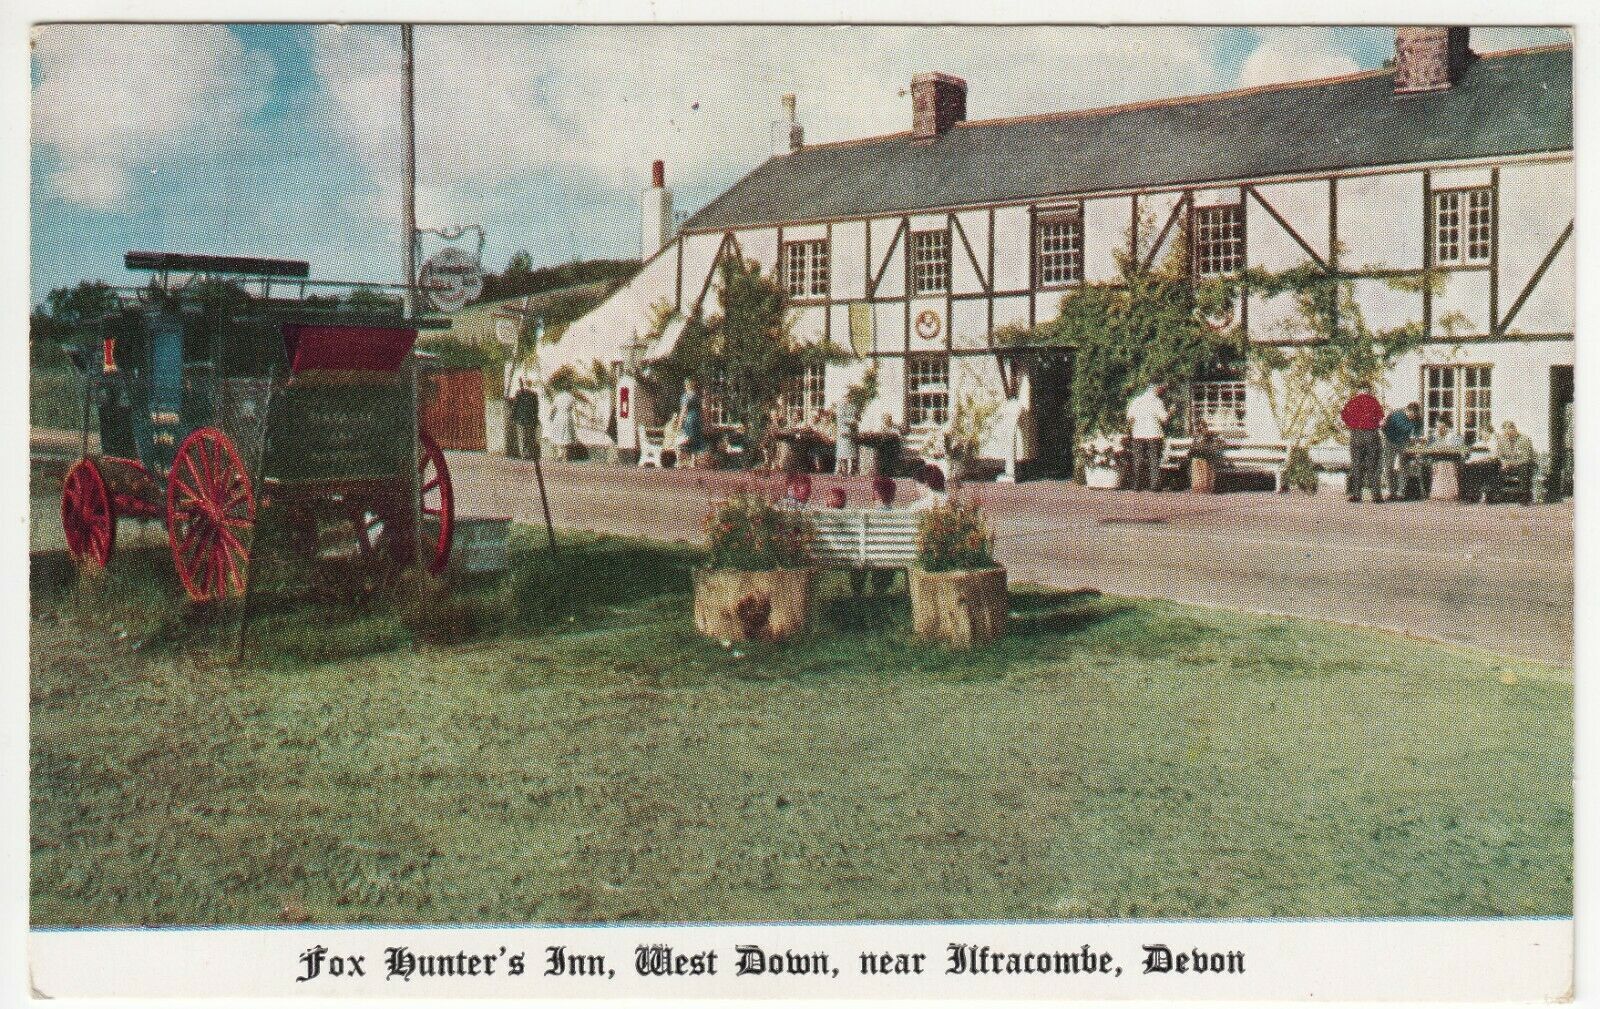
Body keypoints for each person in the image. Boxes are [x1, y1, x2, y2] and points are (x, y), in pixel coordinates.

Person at [1340, 384, 1384, 502]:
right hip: (1371, 434)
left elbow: (1344, 415)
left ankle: (1356, 494)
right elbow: (1381, 417)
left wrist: (1352, 424)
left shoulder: (1353, 401)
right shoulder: (1374, 401)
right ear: (1368, 390)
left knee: (1356, 464)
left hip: (1356, 434)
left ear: (1359, 390)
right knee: (1373, 465)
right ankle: (1376, 495)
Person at [1126, 383, 1169, 492]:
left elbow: (1130, 418)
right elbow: (1164, 419)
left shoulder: (1137, 400)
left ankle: (1136, 485)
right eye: (1159, 389)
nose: (1161, 391)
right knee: (1154, 460)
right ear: (1155, 390)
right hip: (1153, 433)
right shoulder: (1157, 402)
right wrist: (1170, 413)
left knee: (1138, 459)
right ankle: (1154, 486)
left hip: (1138, 434)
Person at [1483, 420, 1537, 504]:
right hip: (1508, 464)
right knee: (1493, 466)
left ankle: (1524, 495)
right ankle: (1494, 494)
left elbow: (1526, 457)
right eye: (1505, 433)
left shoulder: (1525, 439)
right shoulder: (1502, 440)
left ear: (1513, 429)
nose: (1506, 436)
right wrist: (1504, 462)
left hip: (1522, 463)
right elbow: (1500, 454)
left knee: (1525, 467)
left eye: (1508, 433)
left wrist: (1512, 463)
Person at [1380, 401, 1422, 501]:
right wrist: (1383, 424)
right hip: (1390, 441)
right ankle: (1390, 491)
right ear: (1407, 410)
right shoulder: (1396, 415)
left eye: (1415, 415)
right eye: (1411, 414)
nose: (1412, 417)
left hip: (1404, 442)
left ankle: (1401, 492)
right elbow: (1383, 426)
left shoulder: (1417, 419)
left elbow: (1417, 431)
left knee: (1403, 466)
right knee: (1388, 466)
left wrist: (1416, 441)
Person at [677, 379, 706, 467]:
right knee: (695, 438)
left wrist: (679, 423)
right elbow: (702, 410)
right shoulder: (697, 396)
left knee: (686, 439)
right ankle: (693, 461)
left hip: (689, 419)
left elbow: (684, 410)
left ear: (686, 385)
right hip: (697, 419)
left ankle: (683, 461)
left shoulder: (685, 396)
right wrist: (703, 421)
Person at [511, 378, 540, 460]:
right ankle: (529, 453)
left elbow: (515, 405)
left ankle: (523, 453)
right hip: (531, 418)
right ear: (531, 384)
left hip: (521, 418)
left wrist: (513, 416)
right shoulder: (534, 394)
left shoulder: (519, 392)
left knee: (522, 436)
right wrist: (536, 418)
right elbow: (536, 408)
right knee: (530, 436)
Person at [548, 387, 578, 462]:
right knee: (566, 435)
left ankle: (559, 455)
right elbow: (574, 410)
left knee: (559, 435)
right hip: (568, 417)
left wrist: (550, 417)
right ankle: (565, 455)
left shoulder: (557, 397)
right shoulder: (571, 397)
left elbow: (553, 408)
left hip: (558, 417)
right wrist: (577, 420)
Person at [835, 395, 860, 476]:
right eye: (846, 398)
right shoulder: (840, 407)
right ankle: (843, 471)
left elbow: (857, 417)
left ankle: (853, 470)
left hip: (852, 431)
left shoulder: (853, 407)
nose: (847, 399)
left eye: (849, 398)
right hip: (843, 431)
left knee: (853, 452)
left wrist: (855, 420)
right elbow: (840, 419)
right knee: (843, 453)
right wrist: (851, 421)